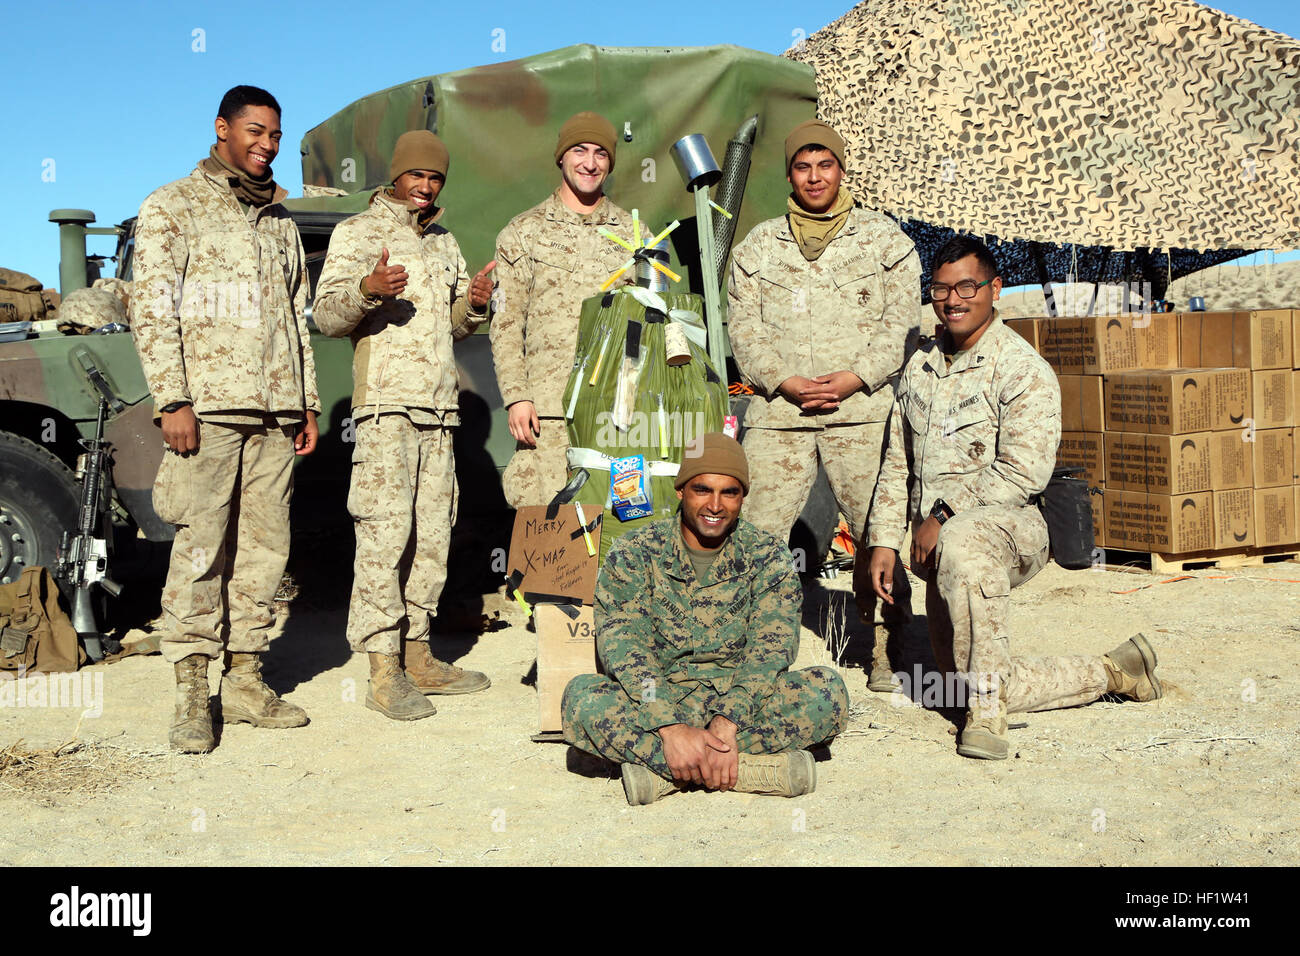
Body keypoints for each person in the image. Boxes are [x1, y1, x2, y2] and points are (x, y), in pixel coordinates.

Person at [864, 235, 1164, 761]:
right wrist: (885, 541)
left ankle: (989, 719)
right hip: (937, 547)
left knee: (963, 544)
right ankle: (1115, 670)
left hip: (1012, 528)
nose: (953, 299)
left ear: (994, 289)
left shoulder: (1021, 368)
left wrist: (940, 514)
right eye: (941, 288)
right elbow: (897, 462)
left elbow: (1024, 470)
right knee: (962, 680)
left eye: (967, 287)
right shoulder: (920, 366)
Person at [131, 85, 319, 753]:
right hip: (208, 409)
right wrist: (172, 400)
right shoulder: (172, 207)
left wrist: (308, 402)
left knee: (265, 552)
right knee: (201, 547)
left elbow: (297, 320)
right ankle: (190, 692)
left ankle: (244, 681)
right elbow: (153, 309)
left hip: (275, 412)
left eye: (274, 133)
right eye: (255, 131)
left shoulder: (280, 222)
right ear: (222, 129)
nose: (266, 144)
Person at [727, 119, 920, 693]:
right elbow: (744, 327)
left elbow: (903, 320)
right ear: (790, 175)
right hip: (779, 416)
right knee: (756, 531)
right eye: (803, 167)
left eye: (825, 165)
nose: (815, 177)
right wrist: (782, 380)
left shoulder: (884, 240)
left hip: (861, 412)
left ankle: (888, 640)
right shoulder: (759, 246)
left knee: (877, 527)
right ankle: (747, 645)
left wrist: (856, 376)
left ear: (841, 169)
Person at [314, 131, 495, 721]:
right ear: (396, 176)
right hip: (386, 408)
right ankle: (382, 669)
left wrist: (473, 303)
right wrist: (367, 290)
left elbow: (453, 328)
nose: (425, 185)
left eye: (435, 178)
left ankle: (418, 654)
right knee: (384, 538)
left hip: (440, 411)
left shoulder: (444, 243)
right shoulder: (357, 233)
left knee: (432, 537)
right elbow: (325, 316)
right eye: (415, 175)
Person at [563, 433, 848, 805]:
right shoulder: (635, 552)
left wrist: (727, 721)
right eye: (702, 490)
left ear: (742, 497)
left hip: (741, 702)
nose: (715, 505)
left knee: (828, 691)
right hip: (661, 695)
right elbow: (625, 647)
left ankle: (667, 773)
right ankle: (747, 771)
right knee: (581, 698)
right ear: (681, 491)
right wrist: (670, 725)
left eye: (729, 492)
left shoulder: (768, 555)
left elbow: (770, 651)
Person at [490, 111, 633, 508]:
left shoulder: (633, 234)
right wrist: (517, 397)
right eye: (580, 150)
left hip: (615, 416)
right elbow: (506, 325)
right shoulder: (523, 232)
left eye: (601, 154)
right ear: (561, 157)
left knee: (619, 527)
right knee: (547, 532)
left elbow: (648, 327)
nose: (590, 163)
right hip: (548, 414)